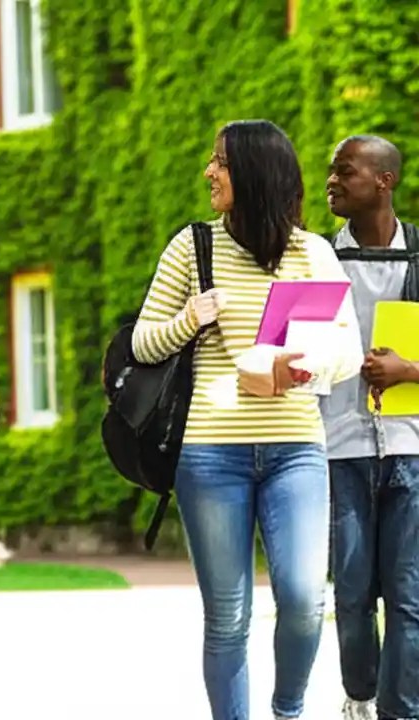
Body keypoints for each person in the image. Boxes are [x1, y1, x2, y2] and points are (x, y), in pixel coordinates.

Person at [132, 119, 362, 720]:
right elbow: (141, 344)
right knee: (228, 615)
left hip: (295, 449)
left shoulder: (313, 253)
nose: (209, 172)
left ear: (256, 174)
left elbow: (347, 349)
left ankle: (288, 710)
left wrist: (303, 369)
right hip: (211, 454)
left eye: (221, 163)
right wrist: (190, 318)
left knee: (305, 599)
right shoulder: (192, 248)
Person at [321, 134, 419, 720]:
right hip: (340, 449)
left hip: (412, 449)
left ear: (384, 181)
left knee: (409, 597)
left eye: (345, 170)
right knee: (353, 594)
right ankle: (359, 698)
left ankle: (401, 711)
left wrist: (408, 370)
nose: (331, 181)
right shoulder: (316, 261)